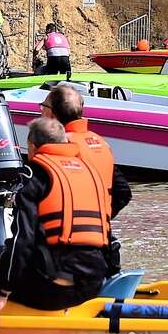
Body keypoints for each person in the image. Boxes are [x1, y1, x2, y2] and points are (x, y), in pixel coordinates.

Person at [0, 118, 112, 326]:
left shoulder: (35, 177)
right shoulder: (89, 172)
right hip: (95, 283)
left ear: (34, 147)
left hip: (58, 288)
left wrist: (2, 294)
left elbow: (22, 241)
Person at [39, 83, 131, 272]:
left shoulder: (61, 147)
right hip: (105, 246)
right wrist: (101, 218)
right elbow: (123, 192)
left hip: (72, 254)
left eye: (42, 108)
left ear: (51, 114)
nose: (40, 113)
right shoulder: (99, 143)